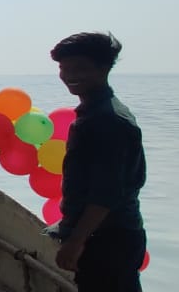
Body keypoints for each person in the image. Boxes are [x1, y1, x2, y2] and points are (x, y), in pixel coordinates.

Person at [49, 32, 146, 291]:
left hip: (109, 239)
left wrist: (76, 241)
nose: (69, 75)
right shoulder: (93, 114)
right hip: (108, 235)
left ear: (104, 68)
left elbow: (106, 193)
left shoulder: (107, 121)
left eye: (80, 68)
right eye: (63, 68)